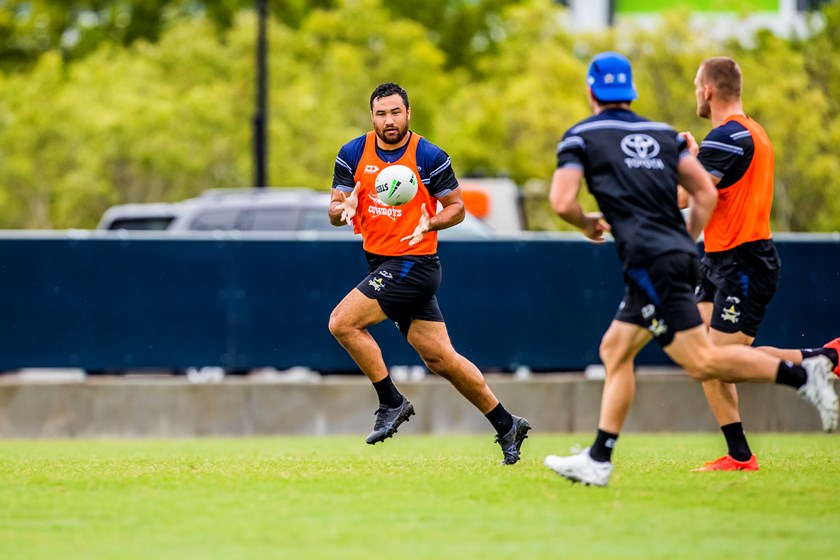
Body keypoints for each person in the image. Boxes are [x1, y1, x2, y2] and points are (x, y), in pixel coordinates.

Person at [542, 52, 838, 487]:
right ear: (631, 93)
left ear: (591, 91)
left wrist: (588, 222)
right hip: (700, 259)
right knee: (616, 349)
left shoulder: (585, 135)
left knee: (705, 361)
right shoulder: (669, 135)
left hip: (710, 261)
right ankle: (603, 457)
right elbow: (702, 191)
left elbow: (564, 202)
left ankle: (808, 369)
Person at [327, 82, 530, 464]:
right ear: (372, 116)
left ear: (408, 113)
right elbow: (335, 213)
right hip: (380, 262)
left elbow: (457, 208)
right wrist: (344, 209)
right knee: (441, 359)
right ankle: (507, 424)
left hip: (414, 264)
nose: (389, 120)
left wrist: (431, 222)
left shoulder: (429, 155)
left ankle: (391, 401)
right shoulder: (352, 153)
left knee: (342, 323)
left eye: (395, 113)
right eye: (381, 113)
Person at [680, 56, 840, 472]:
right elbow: (715, 189)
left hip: (743, 263)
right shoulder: (746, 133)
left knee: (718, 361)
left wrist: (672, 164)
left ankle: (820, 361)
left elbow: (686, 197)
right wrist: (694, 158)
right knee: (705, 361)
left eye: (698, 85)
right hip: (721, 260)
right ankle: (739, 455)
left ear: (708, 90)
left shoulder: (728, 137)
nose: (697, 92)